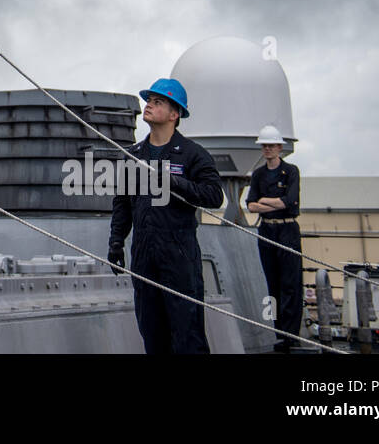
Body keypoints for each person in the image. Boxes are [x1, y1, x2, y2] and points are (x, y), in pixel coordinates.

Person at [107, 77, 223, 354]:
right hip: (145, 257)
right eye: (149, 100)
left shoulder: (193, 155)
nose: (149, 105)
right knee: (152, 334)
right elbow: (123, 203)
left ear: (174, 114)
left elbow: (213, 196)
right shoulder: (133, 155)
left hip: (179, 258)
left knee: (188, 337)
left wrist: (174, 182)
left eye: (158, 102)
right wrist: (115, 242)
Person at [246, 124, 302, 352]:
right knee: (273, 284)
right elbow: (251, 205)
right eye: (265, 146)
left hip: (287, 231)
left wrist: (265, 202)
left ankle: (292, 335)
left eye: (271, 145)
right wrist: (275, 201)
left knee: (290, 284)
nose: (268, 149)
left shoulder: (291, 171)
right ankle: (279, 332)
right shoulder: (258, 174)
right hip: (267, 231)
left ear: (280, 147)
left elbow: (289, 202)